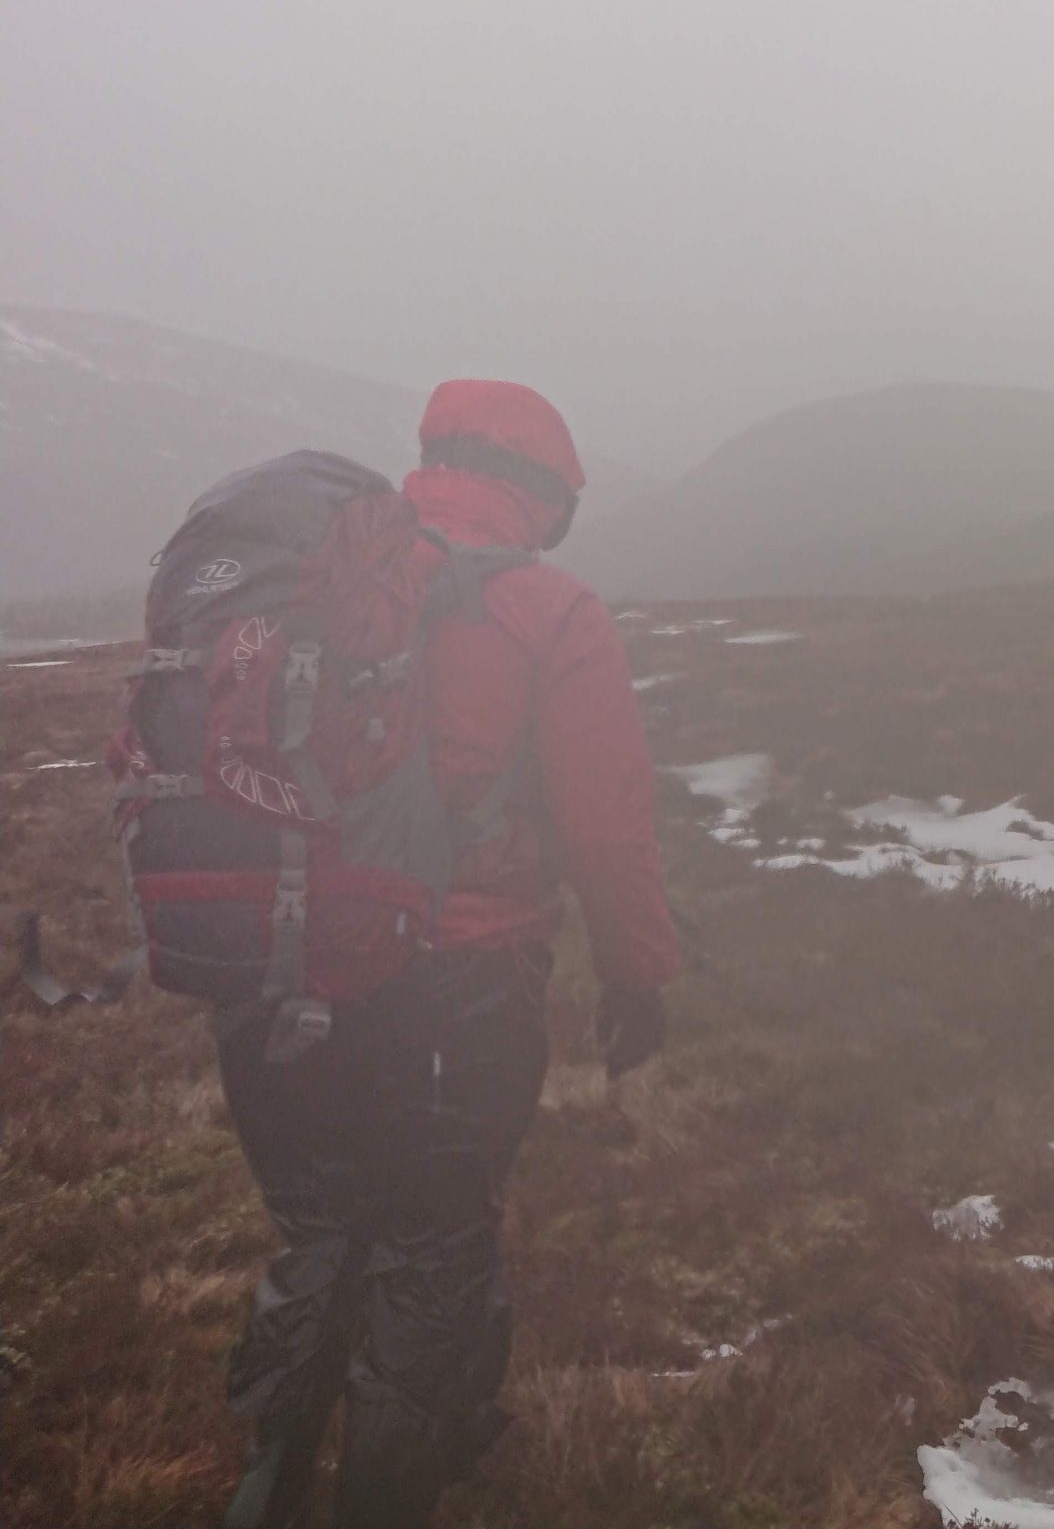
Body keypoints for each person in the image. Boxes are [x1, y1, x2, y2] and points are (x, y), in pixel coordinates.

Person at [219, 380, 683, 1529]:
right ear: (539, 492)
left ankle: (264, 1490)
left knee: (323, 1233)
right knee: (432, 1258)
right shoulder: (548, 609)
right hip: (456, 990)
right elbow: (607, 826)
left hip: (271, 976)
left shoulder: (308, 584)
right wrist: (639, 976)